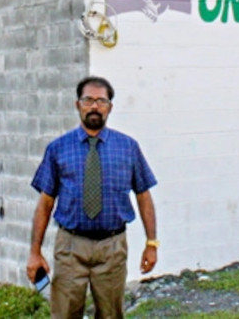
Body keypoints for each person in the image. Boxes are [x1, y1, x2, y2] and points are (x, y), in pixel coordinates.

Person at [27, 76, 159, 318]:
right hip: (70, 247)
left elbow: (143, 195)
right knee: (64, 313)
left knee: (111, 314)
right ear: (78, 104)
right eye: (88, 100)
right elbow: (45, 203)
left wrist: (151, 244)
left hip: (112, 247)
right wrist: (35, 253)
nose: (95, 106)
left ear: (110, 107)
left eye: (101, 101)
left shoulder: (128, 147)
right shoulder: (58, 149)